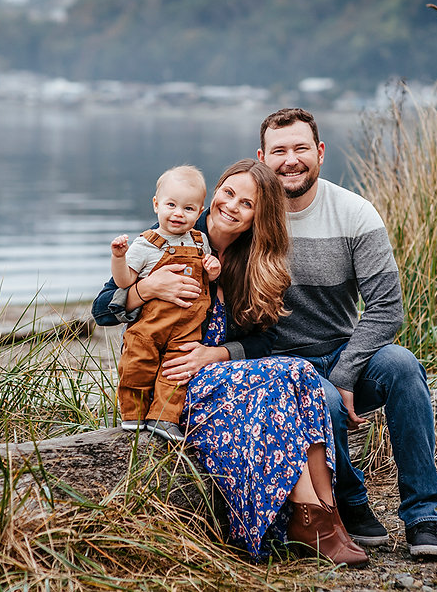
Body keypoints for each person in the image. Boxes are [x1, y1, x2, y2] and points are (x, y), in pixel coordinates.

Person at [94, 109, 437, 559]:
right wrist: (146, 287)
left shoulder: (341, 217)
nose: (290, 160)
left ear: (319, 152)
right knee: (315, 395)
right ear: (263, 159)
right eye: (279, 151)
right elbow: (105, 306)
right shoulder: (192, 234)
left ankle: (422, 517)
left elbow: (385, 309)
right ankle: (350, 505)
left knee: (403, 366)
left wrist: (344, 374)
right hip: (272, 361)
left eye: (301, 148)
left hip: (335, 352)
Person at [94, 159, 368, 566]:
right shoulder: (175, 232)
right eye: (228, 193)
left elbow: (265, 341)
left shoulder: (255, 257)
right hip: (173, 385)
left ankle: (326, 518)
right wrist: (146, 288)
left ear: (260, 215)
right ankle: (314, 521)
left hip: (217, 372)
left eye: (248, 203)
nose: (233, 206)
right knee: (290, 373)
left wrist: (215, 353)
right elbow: (102, 310)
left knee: (297, 371)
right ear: (214, 193)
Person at [109, 165, 221, 442]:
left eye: (188, 208)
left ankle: (164, 418)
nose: (178, 213)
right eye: (171, 205)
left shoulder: (200, 241)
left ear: (200, 211)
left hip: (187, 327)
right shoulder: (146, 244)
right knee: (137, 365)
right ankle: (133, 416)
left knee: (176, 372)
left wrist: (213, 268)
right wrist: (118, 258)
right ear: (157, 205)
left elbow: (207, 277)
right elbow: (124, 282)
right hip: (150, 325)